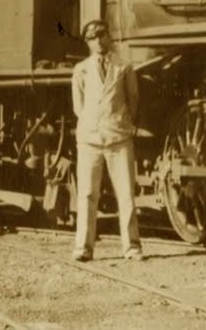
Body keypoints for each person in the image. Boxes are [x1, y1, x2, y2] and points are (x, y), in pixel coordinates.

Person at [70, 19, 143, 261]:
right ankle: (83, 247)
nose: (98, 41)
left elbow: (133, 98)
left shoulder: (124, 67)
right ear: (87, 42)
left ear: (108, 37)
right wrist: (92, 123)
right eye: (92, 38)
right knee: (87, 194)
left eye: (101, 35)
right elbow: (78, 106)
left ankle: (132, 247)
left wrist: (125, 123)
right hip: (90, 138)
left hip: (118, 136)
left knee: (126, 194)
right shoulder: (80, 70)